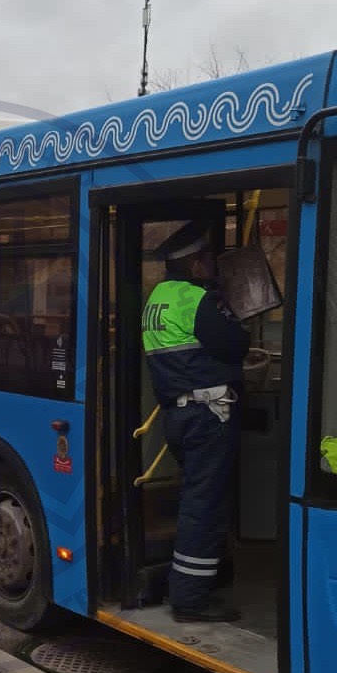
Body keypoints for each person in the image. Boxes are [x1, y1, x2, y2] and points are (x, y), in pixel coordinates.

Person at [141, 221, 250, 623]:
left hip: (178, 414)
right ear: (192, 263)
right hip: (207, 415)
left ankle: (199, 580)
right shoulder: (197, 300)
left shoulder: (158, 298)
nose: (212, 266)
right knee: (204, 506)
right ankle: (189, 598)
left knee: (196, 502)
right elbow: (236, 345)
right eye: (206, 260)